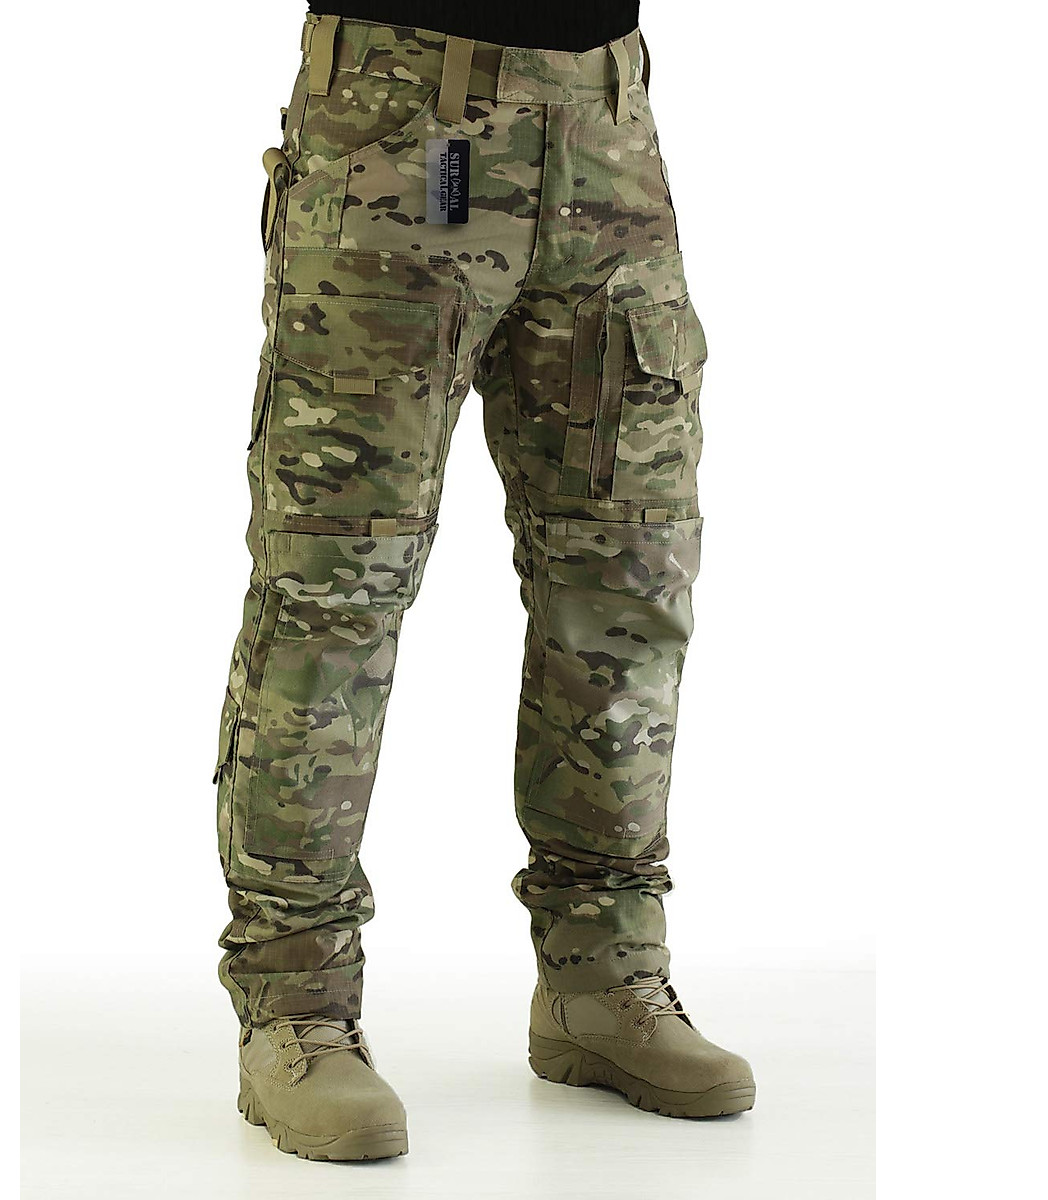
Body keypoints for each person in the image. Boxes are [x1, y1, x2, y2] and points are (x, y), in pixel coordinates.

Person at [213, 0, 754, 1160]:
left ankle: (602, 979)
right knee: (337, 583)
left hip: (606, 128)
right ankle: (295, 1007)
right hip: (400, 122)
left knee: (626, 573)